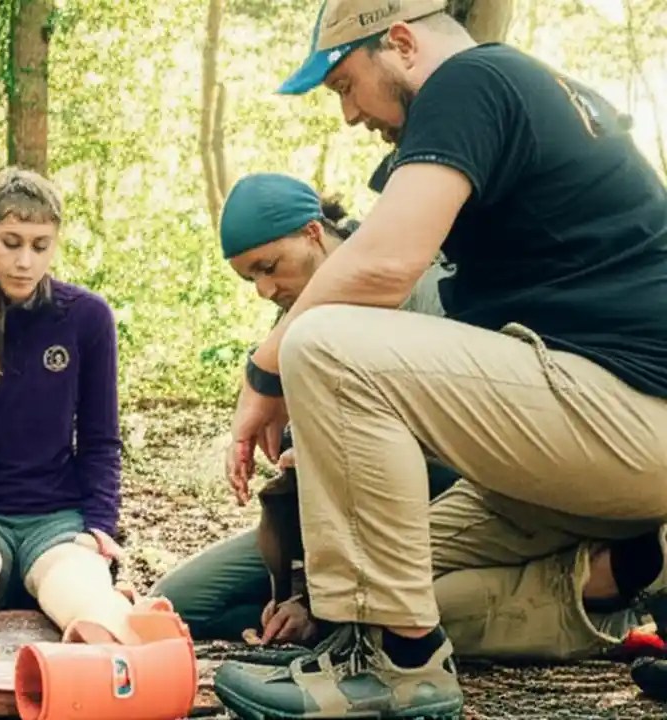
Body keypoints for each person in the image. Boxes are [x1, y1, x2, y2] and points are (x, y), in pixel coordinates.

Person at [215, 1, 667, 718]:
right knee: (377, 586)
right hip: (579, 444)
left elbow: (385, 264)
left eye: (344, 87)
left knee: (325, 342)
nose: (350, 117)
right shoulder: (533, 90)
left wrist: (265, 369)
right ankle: (625, 577)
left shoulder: (472, 80)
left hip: (621, 413)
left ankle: (400, 672)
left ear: (399, 42)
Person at [151, 172, 457, 644]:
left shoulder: (413, 276)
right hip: (325, 522)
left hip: (428, 506)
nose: (264, 289)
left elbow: (452, 431)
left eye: (268, 267)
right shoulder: (295, 312)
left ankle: (333, 613)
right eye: (250, 276)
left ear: (313, 233)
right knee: (177, 603)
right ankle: (308, 620)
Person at [0, 167, 138, 643]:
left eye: (40, 245)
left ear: (54, 244)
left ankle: (104, 630)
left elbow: (100, 439)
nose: (24, 261)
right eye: (10, 242)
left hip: (57, 515)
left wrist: (99, 524)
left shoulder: (86, 318)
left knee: (75, 582)